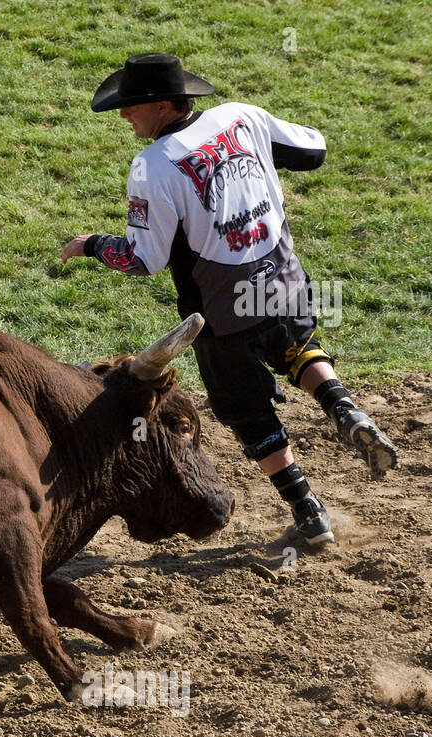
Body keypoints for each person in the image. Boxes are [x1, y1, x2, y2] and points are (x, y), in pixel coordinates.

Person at [61, 53, 397, 548]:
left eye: (130, 105)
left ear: (159, 105)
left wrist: (92, 244)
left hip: (221, 312)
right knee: (299, 349)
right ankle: (345, 410)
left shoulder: (153, 166)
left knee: (248, 413)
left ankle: (309, 513)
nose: (123, 114)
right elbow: (314, 150)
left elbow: (144, 259)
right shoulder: (242, 117)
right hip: (281, 280)